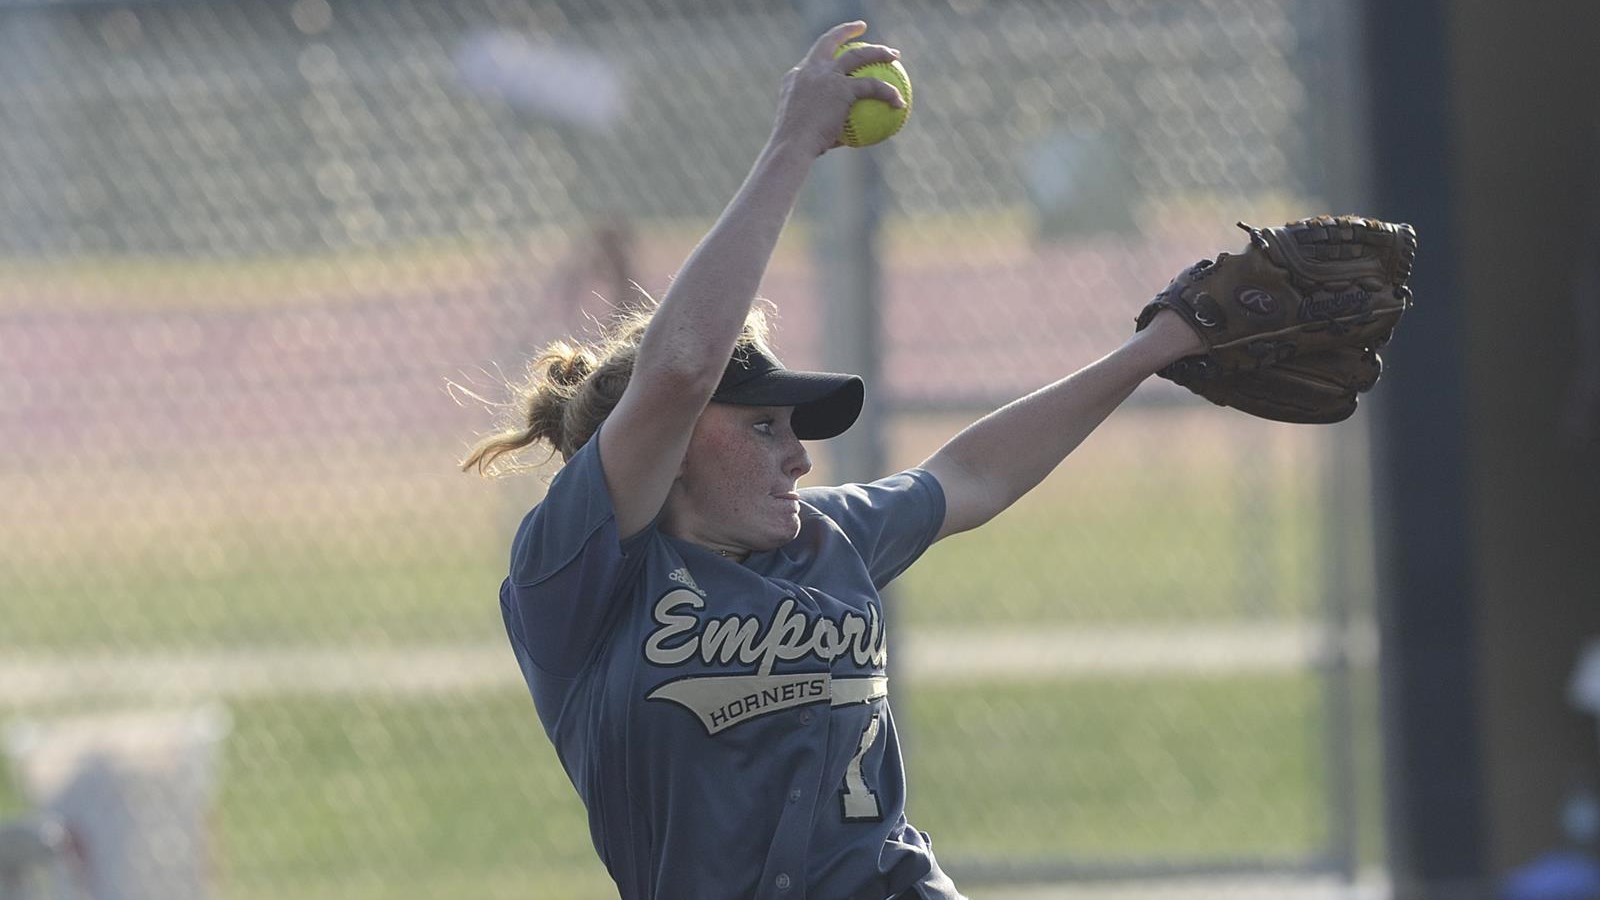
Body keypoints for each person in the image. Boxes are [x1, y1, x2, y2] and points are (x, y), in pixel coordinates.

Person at [461, 21, 1204, 900]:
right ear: (671, 441)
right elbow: (681, 367)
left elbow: (972, 476)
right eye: (766, 427)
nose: (801, 459)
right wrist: (793, 144)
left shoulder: (828, 538)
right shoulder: (577, 579)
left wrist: (1156, 348)